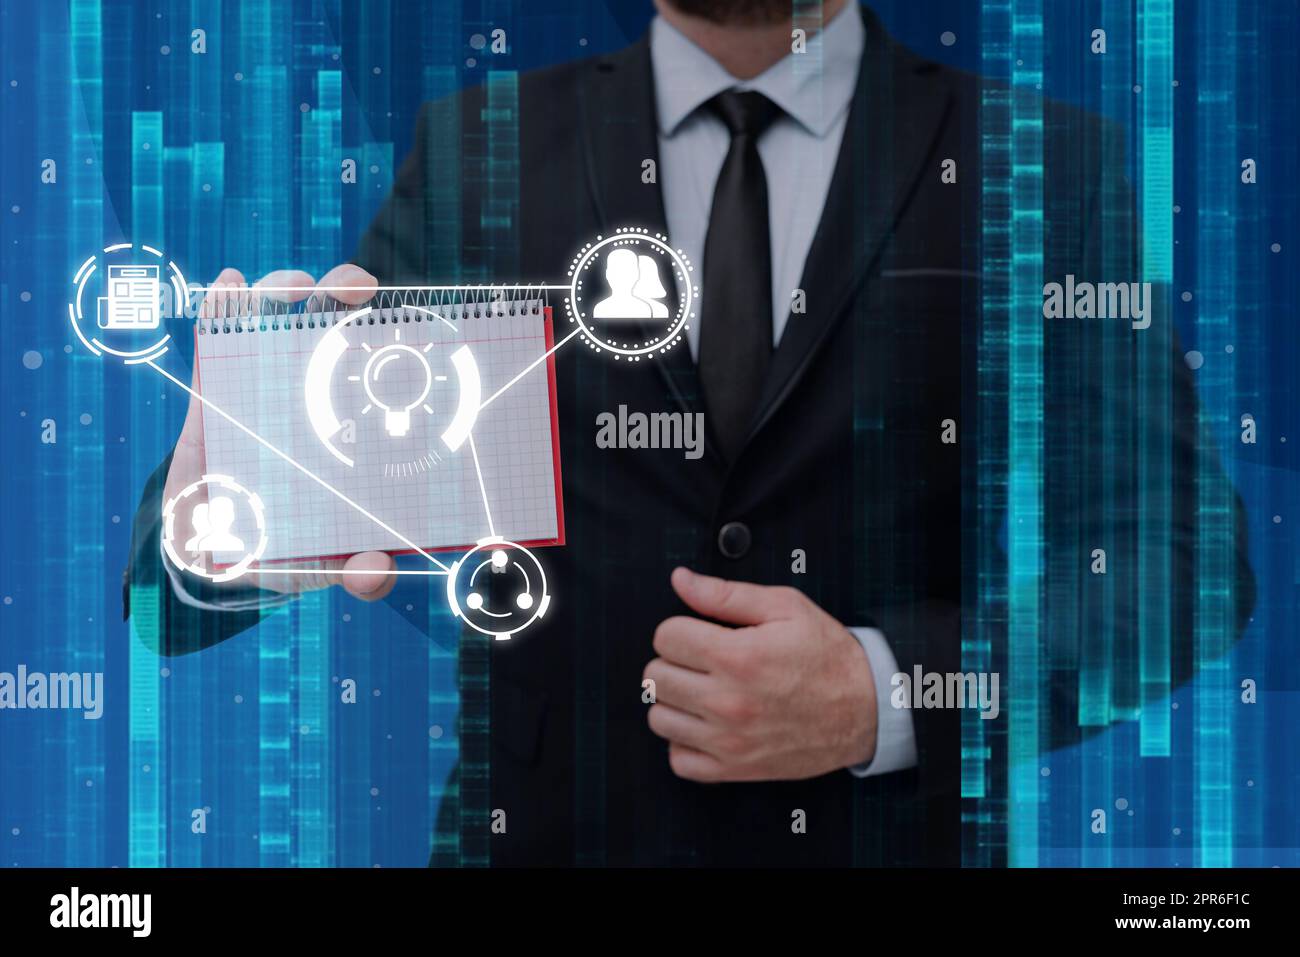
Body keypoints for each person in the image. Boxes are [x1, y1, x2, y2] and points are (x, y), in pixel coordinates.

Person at [127, 0, 1255, 866]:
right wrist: (230, 520)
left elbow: (1185, 567)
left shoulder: (1052, 164)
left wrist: (890, 690)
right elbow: (172, 593)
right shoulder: (478, 148)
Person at [593, 248, 654, 319]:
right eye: (616, 270)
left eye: (627, 271)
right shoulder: (600, 309)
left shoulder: (644, 309)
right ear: (607, 274)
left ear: (637, 274)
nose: (622, 276)